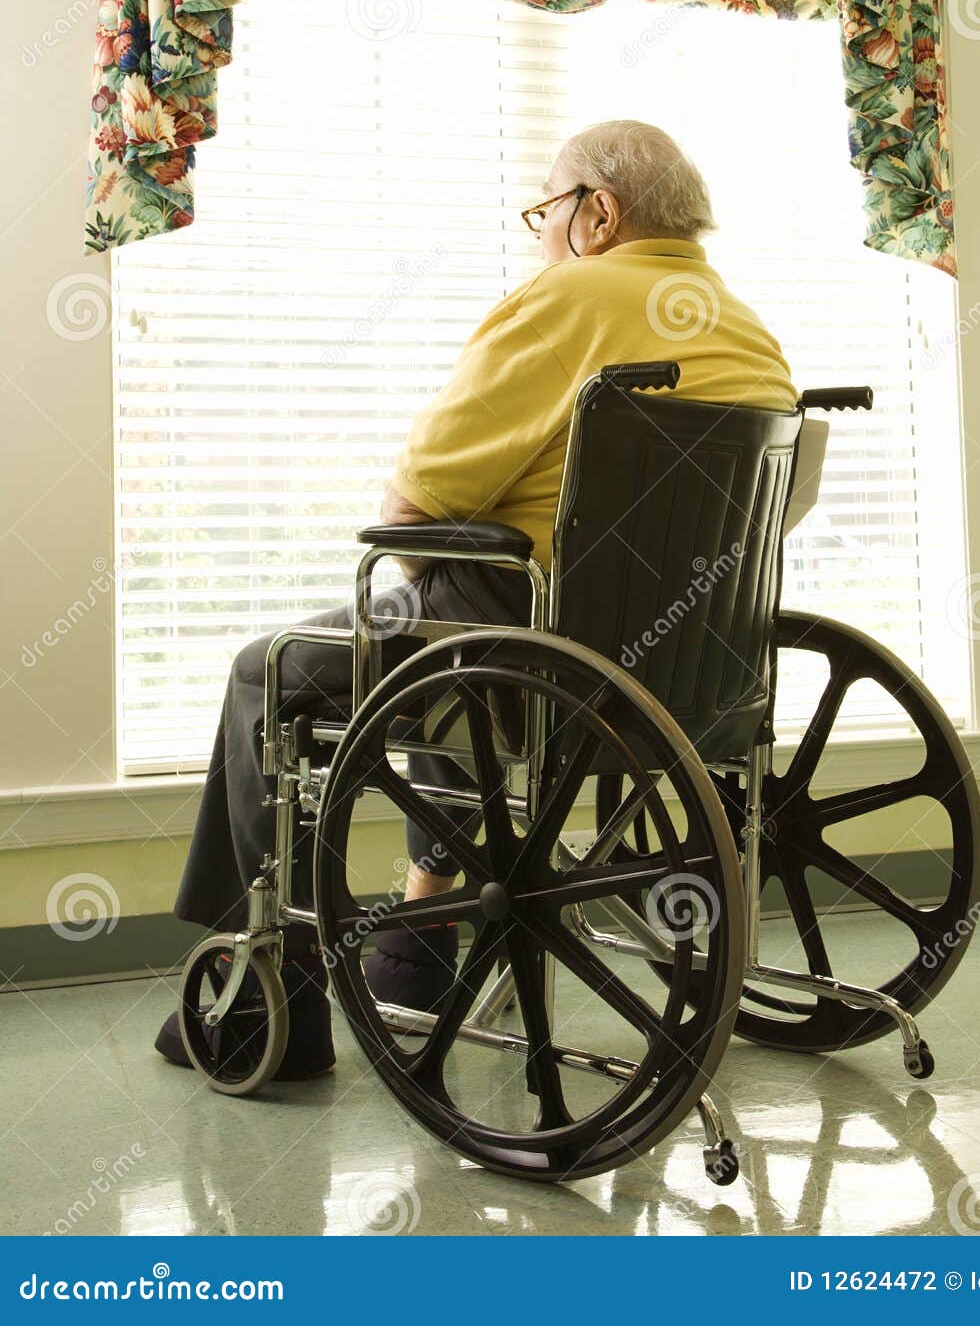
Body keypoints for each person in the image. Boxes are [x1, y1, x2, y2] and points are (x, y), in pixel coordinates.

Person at [154, 119, 797, 1078]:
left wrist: (423, 564)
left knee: (277, 668)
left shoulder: (569, 294)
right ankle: (415, 943)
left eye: (546, 211)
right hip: (685, 670)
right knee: (440, 640)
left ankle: (259, 999)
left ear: (599, 215)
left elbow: (416, 503)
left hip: (536, 647)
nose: (539, 234)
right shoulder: (746, 329)